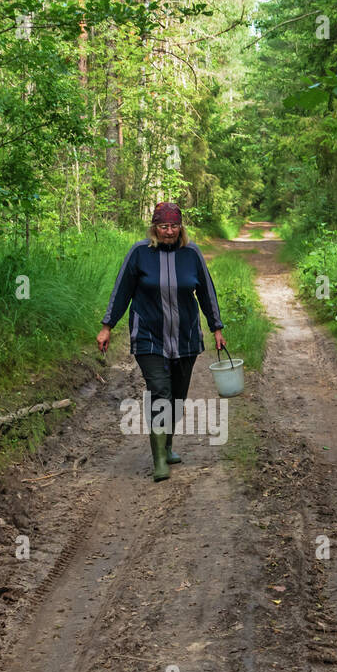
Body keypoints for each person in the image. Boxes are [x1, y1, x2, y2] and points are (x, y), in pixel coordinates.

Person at [96, 202, 226, 482]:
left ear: (181, 227)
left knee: (177, 396)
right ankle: (158, 461)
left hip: (186, 337)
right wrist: (107, 327)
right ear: (154, 227)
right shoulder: (139, 253)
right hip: (148, 336)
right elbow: (121, 292)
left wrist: (216, 328)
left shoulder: (192, 254)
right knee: (160, 392)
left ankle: (167, 446)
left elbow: (207, 291)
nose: (169, 231)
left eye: (174, 226)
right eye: (164, 226)